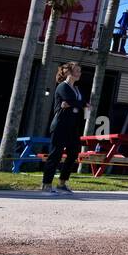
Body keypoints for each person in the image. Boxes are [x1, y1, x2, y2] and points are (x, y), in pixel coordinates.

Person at [41, 62, 85, 194]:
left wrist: (75, 104)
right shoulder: (62, 86)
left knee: (73, 153)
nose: (79, 73)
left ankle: (62, 183)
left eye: (80, 71)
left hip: (73, 126)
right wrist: (77, 104)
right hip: (60, 125)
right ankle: (46, 184)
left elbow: (77, 102)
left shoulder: (77, 89)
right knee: (55, 154)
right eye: (77, 70)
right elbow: (72, 101)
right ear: (69, 72)